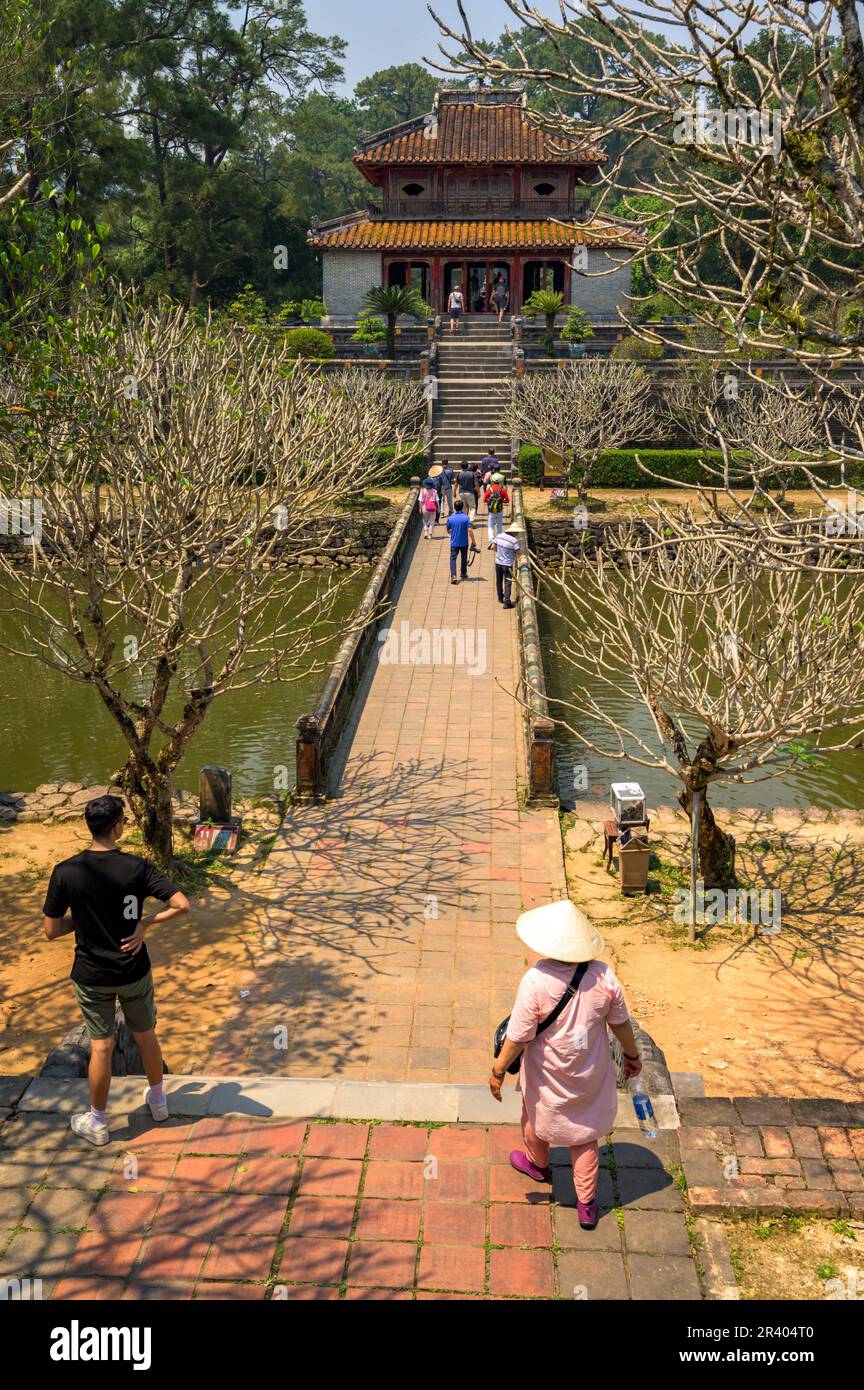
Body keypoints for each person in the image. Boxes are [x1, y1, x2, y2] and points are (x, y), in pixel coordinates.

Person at [42, 795, 190, 1145]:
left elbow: (51, 931)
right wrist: (145, 924)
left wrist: (85, 920)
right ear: (117, 826)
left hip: (92, 975)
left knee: (102, 1046)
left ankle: (98, 1122)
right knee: (146, 1034)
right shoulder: (137, 867)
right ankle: (158, 1103)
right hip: (133, 969)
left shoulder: (66, 871)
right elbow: (182, 904)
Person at [490, 900, 641, 1231]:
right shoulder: (604, 976)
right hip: (589, 1071)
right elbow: (621, 1024)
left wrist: (499, 1069)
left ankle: (538, 1165)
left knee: (534, 1113)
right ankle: (586, 1204)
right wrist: (632, 1056)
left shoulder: (536, 980)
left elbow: (518, 1036)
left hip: (547, 1072)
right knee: (585, 1136)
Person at [446, 498, 477, 583]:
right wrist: (474, 542)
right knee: (464, 558)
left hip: (454, 542)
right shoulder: (466, 518)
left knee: (453, 558)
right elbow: (470, 530)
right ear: (462, 507)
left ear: (454, 507)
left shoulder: (450, 518)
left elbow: (448, 530)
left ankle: (453, 576)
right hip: (464, 542)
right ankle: (463, 573)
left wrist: (453, 533)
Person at [484, 472, 510, 543]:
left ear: (492, 481)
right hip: (499, 510)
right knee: (499, 525)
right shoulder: (503, 489)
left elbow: (484, 499)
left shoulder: (490, 489)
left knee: (490, 526)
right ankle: (499, 539)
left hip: (491, 510)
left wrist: (489, 501)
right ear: (499, 481)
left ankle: (491, 540)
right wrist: (502, 501)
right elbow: (507, 500)